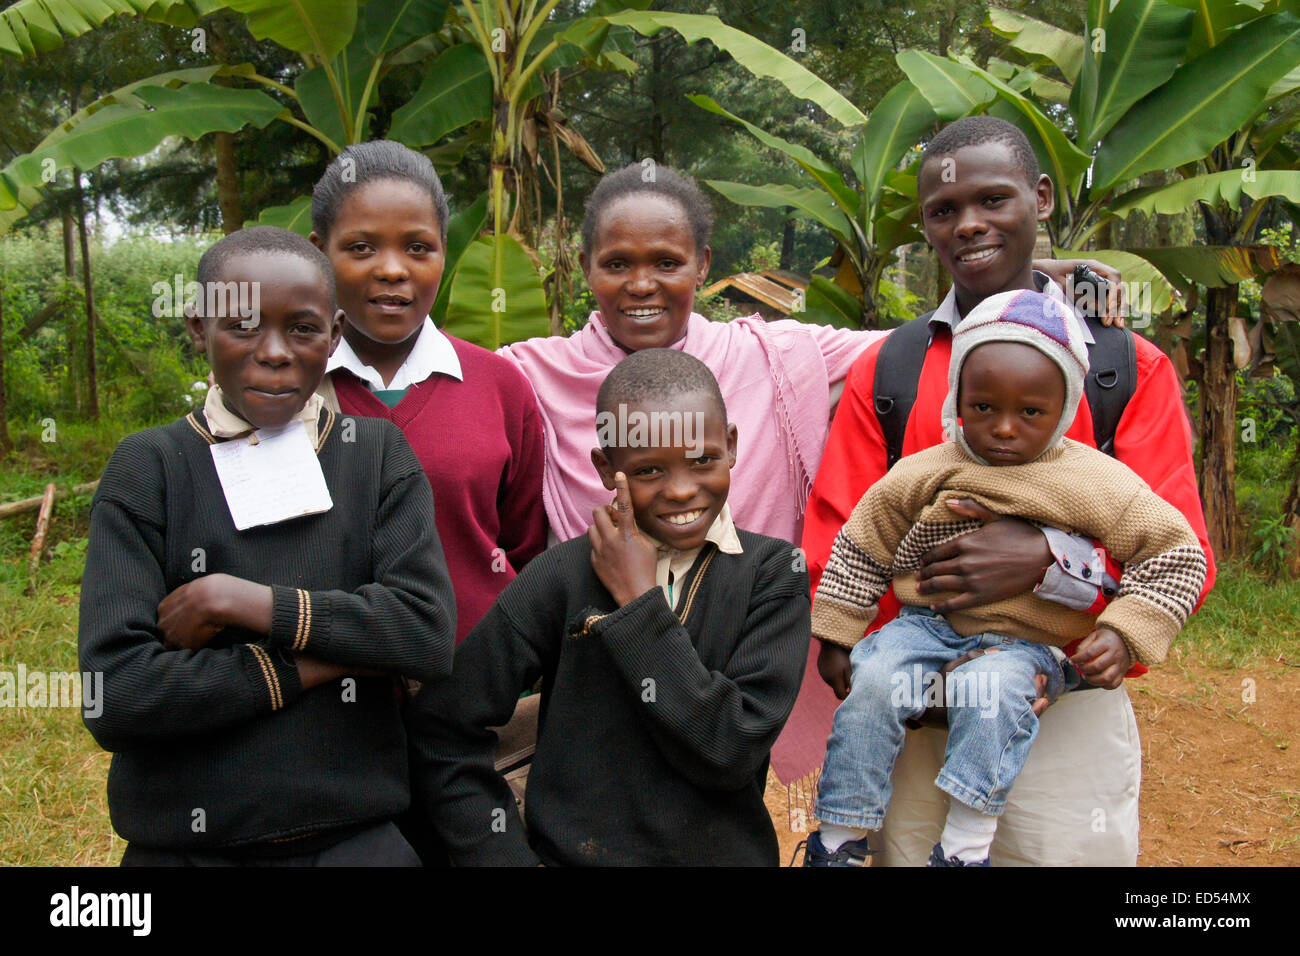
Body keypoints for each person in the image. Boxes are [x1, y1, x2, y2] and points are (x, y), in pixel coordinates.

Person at [495, 162, 1102, 781]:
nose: (641, 284)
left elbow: (923, 343)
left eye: (667, 263)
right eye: (617, 263)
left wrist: (1025, 291)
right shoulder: (528, 374)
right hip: (600, 661)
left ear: (702, 264)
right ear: (586, 265)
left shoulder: (774, 356)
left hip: (732, 669)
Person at [802, 116, 1216, 865]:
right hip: (915, 720)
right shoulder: (889, 369)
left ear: (1043, 198)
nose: (969, 225)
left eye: (994, 199)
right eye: (943, 211)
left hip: (1061, 718)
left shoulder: (1126, 366)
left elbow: (1179, 548)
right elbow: (843, 530)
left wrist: (1049, 563)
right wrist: (857, 638)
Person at [78, 226, 457, 865]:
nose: (275, 353)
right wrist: (324, 662)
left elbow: (423, 635)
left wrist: (240, 601)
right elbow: (115, 693)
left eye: (303, 329)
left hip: (353, 839)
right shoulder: (151, 469)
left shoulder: (376, 458)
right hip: (186, 848)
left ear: (334, 335)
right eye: (244, 327)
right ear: (199, 328)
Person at [407, 349, 811, 865]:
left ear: (731, 446)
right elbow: (443, 729)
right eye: (648, 470)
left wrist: (640, 603)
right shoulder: (561, 577)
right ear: (605, 468)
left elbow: (729, 751)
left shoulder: (774, 575)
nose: (682, 489)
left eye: (703, 460)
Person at [310, 140, 546, 645]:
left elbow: (526, 549)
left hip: (482, 695)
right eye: (361, 248)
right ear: (318, 253)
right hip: (325, 689)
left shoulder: (500, 386)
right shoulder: (288, 391)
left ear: (445, 250)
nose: (393, 269)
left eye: (418, 247)